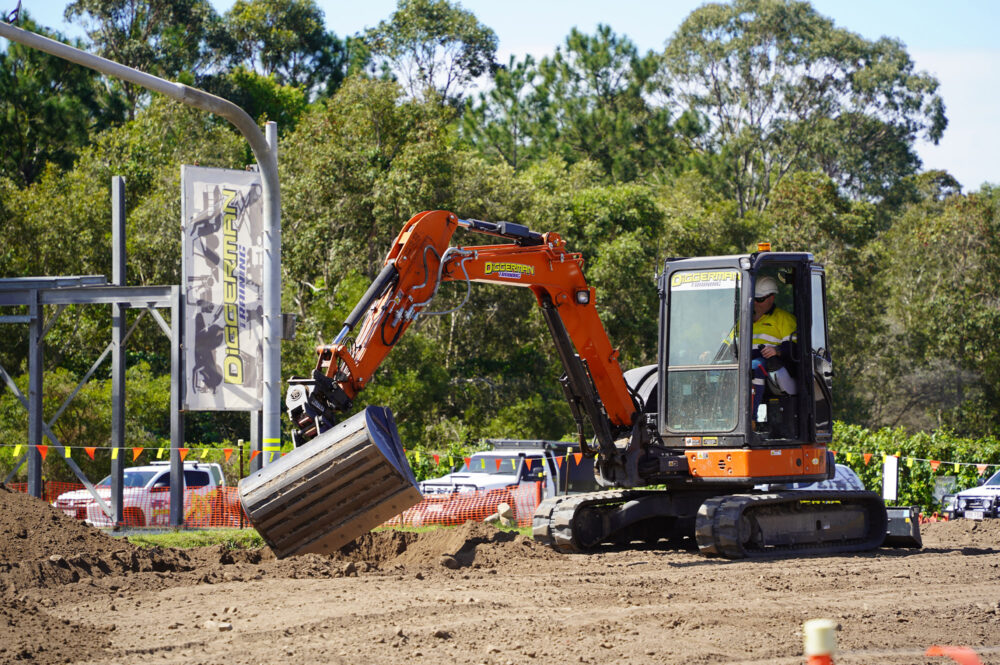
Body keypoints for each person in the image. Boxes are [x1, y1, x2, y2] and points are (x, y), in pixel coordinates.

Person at [751, 276, 797, 425]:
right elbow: (728, 345)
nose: (756, 303)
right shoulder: (743, 319)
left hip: (768, 363)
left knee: (754, 367)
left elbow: (794, 348)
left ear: (771, 298)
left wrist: (776, 351)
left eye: (760, 299)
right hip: (743, 360)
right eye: (754, 299)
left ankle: (750, 419)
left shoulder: (783, 318)